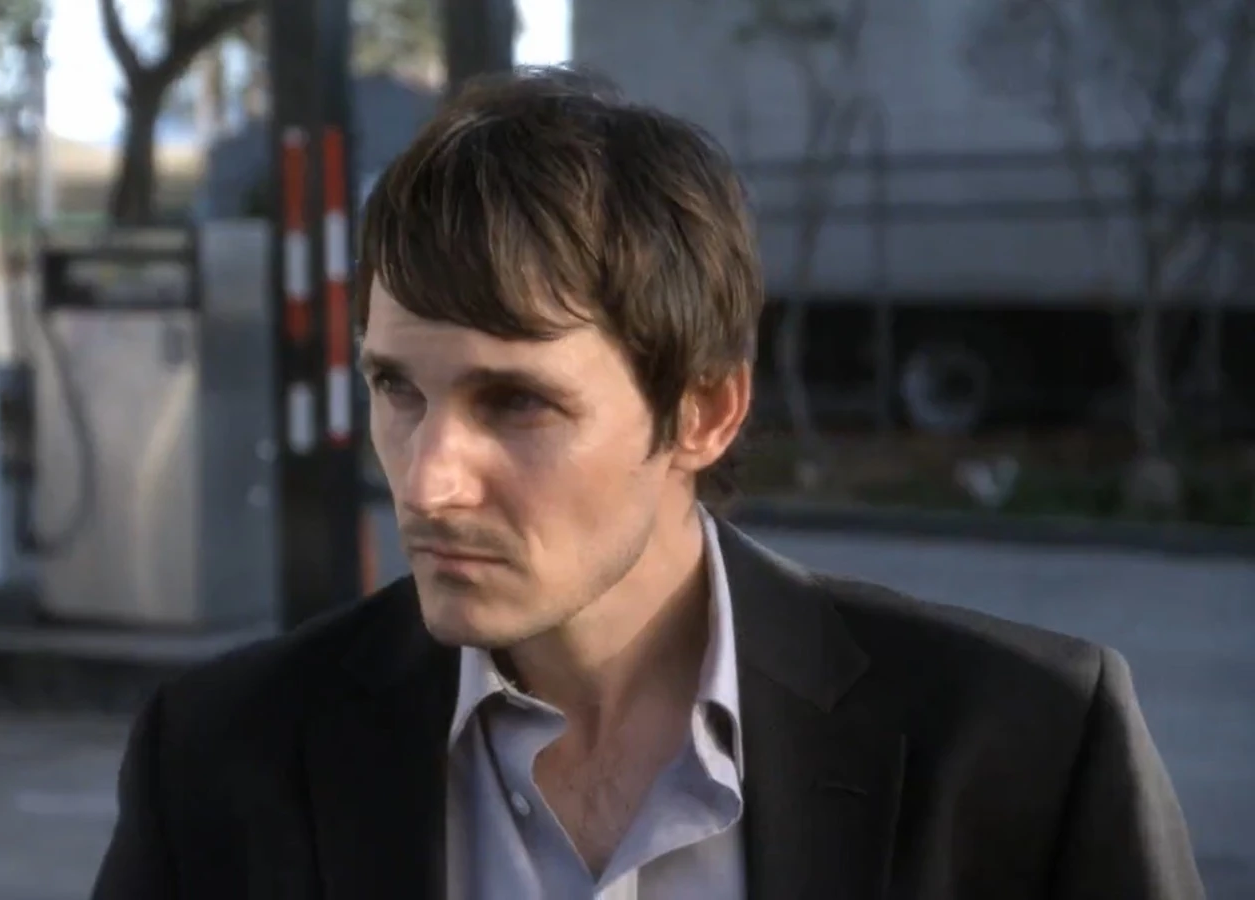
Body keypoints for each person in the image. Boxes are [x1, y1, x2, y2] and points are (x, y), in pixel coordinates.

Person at [91, 67, 1203, 900]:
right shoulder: (223, 758)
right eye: (398, 389)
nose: (429, 481)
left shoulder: (1021, 748)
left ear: (704, 412)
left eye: (515, 403)